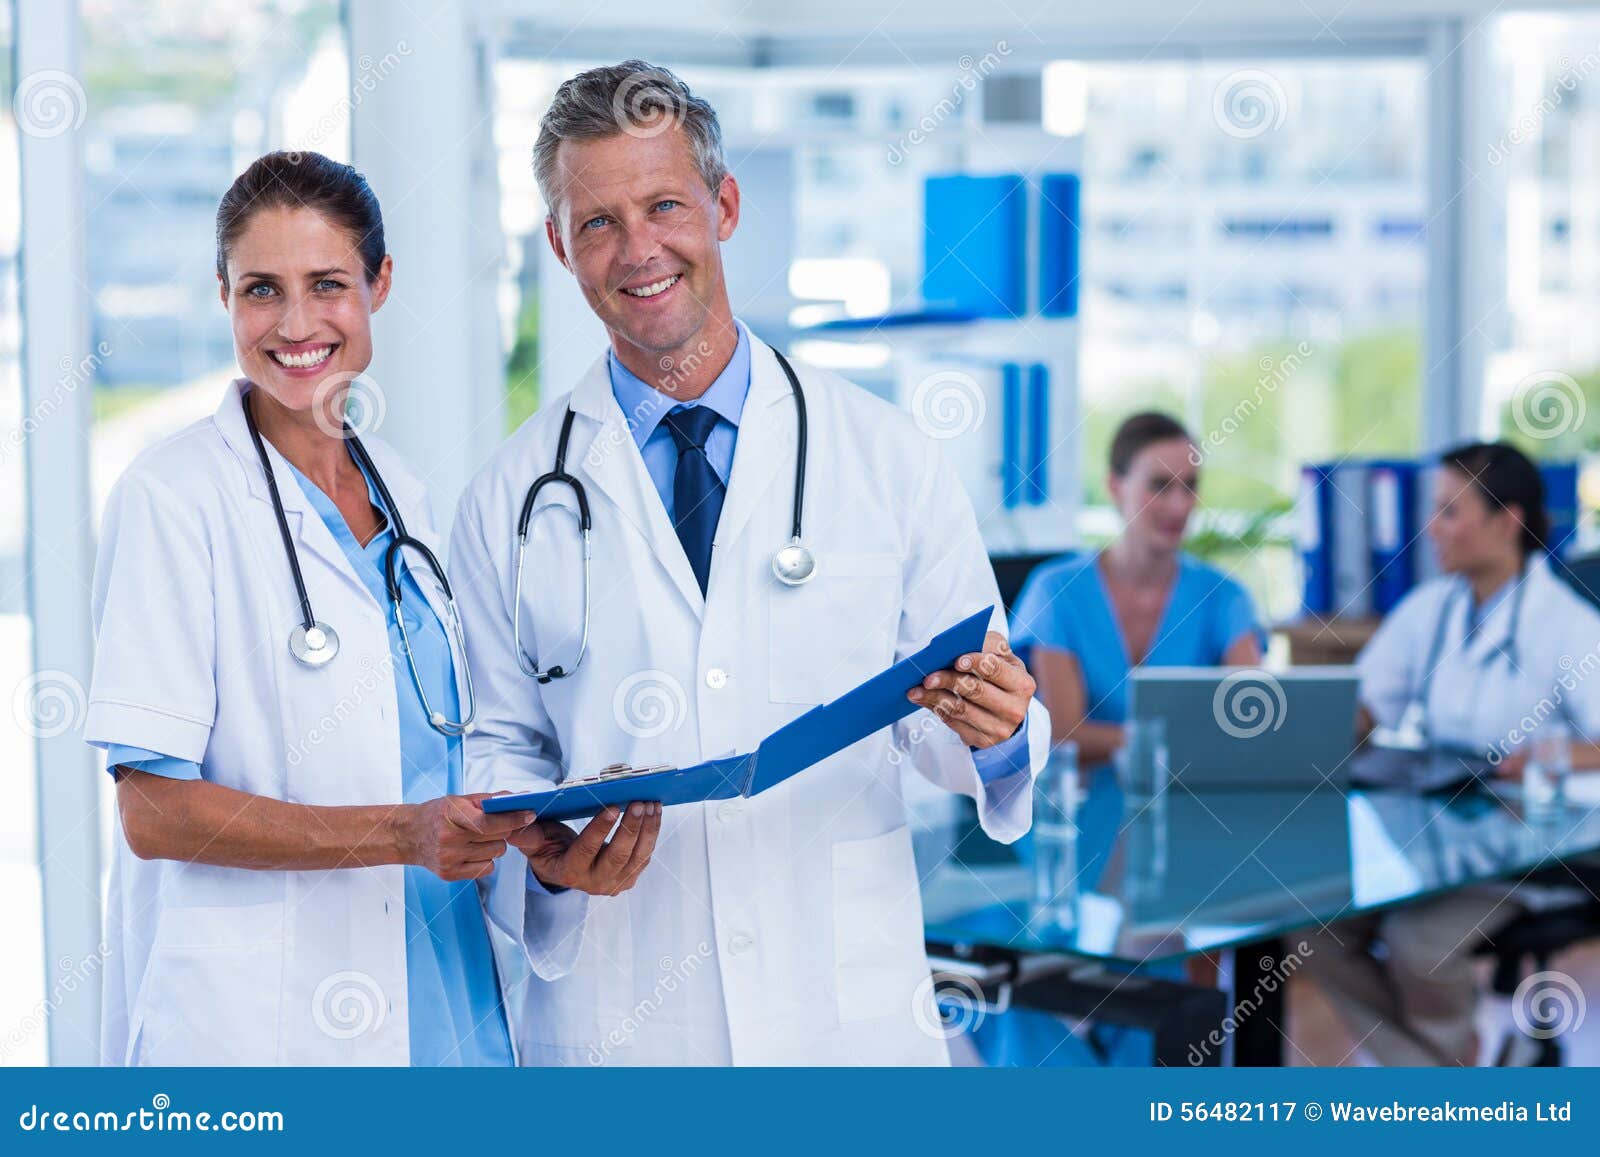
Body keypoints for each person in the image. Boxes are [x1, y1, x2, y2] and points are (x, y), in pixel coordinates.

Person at [448, 60, 1049, 1066]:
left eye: (665, 205)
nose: (638, 249)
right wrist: (548, 872)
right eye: (597, 222)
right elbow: (495, 748)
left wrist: (995, 731)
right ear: (559, 243)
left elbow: (965, 722)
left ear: (723, 206)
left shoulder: (887, 455)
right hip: (626, 1025)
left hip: (841, 1021)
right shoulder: (507, 496)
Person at [84, 151, 655, 1066]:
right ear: (224, 295)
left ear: (380, 285)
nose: (297, 323)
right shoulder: (174, 495)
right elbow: (155, 810)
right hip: (266, 1031)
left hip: (445, 994)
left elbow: (442, 755)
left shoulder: (407, 495)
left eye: (328, 284)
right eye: (262, 289)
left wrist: (546, 837)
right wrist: (400, 833)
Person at [971, 410, 1264, 1065]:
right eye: (1160, 483)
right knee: (1041, 977)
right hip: (1071, 823)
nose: (1179, 503)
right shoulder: (1059, 589)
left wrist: (1148, 739)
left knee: (1174, 976)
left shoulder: (1222, 596)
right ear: (1115, 485)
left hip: (1180, 828)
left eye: (1191, 484)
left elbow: (1251, 719)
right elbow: (1068, 731)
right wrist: (1176, 732)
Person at [1306, 441, 1600, 1066]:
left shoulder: (1569, 625)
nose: (1430, 528)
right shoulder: (1431, 609)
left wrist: (1543, 754)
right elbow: (1366, 707)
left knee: (1420, 947)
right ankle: (1447, 1086)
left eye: (1449, 512)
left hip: (1530, 849)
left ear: (1506, 521)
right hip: (1436, 836)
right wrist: (1297, 730)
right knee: (1312, 927)